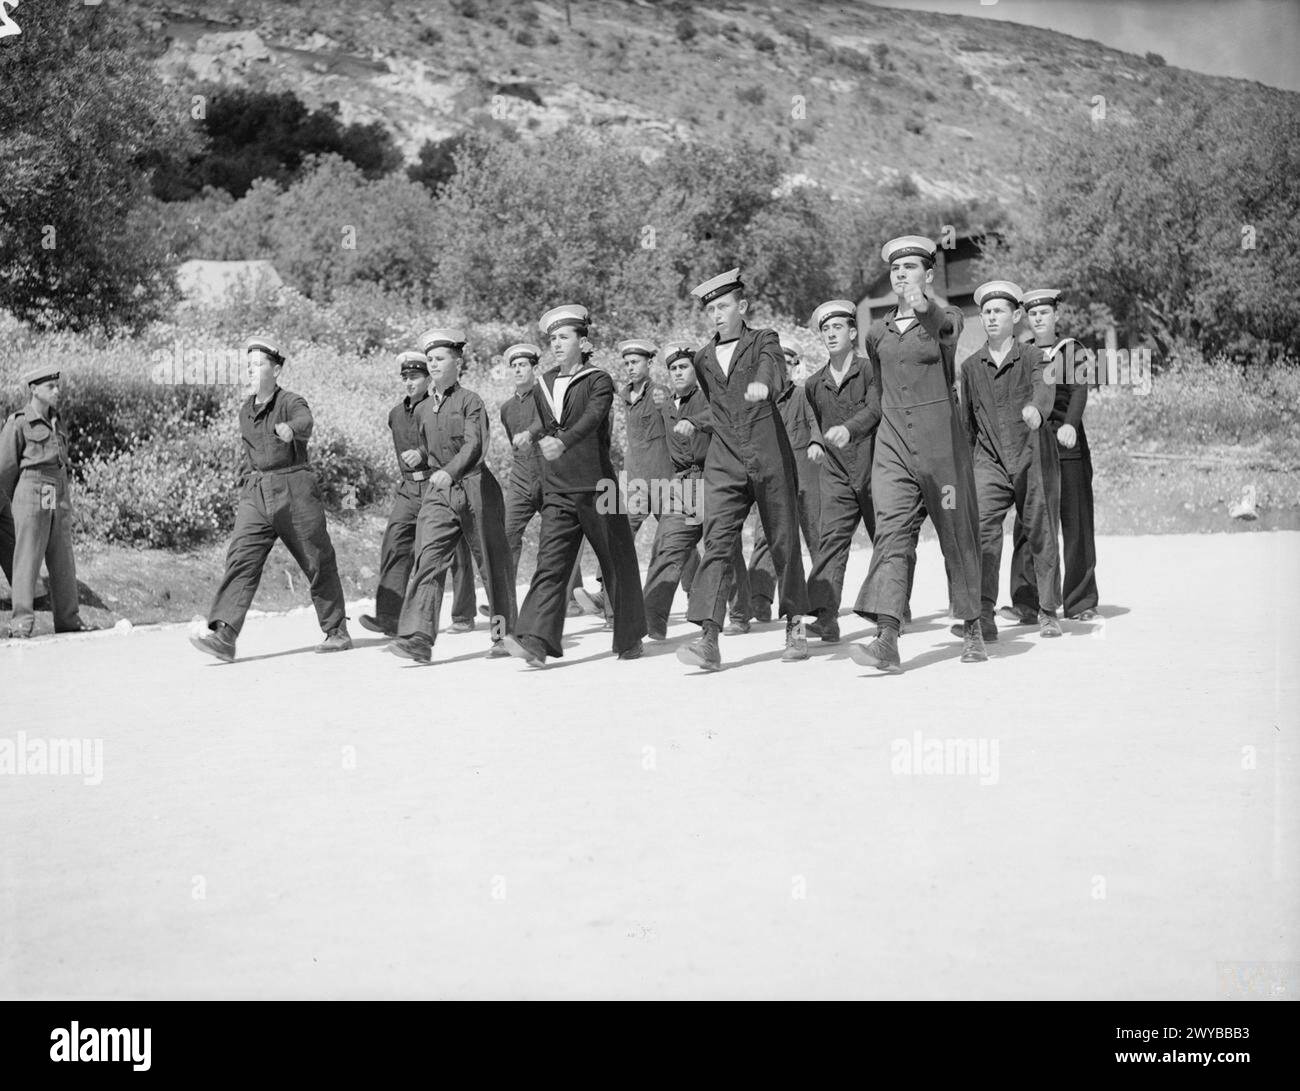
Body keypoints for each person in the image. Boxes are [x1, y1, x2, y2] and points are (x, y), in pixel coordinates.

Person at [849, 236, 984, 674]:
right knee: (891, 535)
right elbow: (878, 390)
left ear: (928, 274)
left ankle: (972, 623)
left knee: (955, 532)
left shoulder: (948, 319)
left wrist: (922, 303)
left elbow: (940, 327)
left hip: (941, 445)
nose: (901, 274)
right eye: (896, 269)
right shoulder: (876, 333)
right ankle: (887, 635)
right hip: (893, 447)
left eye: (910, 267)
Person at [676, 268, 810, 671]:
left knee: (782, 539)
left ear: (742, 307)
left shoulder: (763, 339)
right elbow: (716, 408)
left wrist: (765, 385)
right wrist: (697, 423)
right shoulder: (701, 358)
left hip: (768, 451)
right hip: (725, 459)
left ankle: (795, 626)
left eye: (724, 306)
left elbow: (772, 366)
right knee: (717, 542)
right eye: (711, 309)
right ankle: (708, 638)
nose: (717, 314)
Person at [502, 305, 647, 666]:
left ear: (584, 342)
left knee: (616, 561)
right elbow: (547, 420)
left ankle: (629, 637)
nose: (556, 344)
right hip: (558, 488)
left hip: (597, 485)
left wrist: (562, 441)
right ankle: (536, 639)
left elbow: (591, 417)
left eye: (563, 337)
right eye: (552, 338)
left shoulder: (598, 380)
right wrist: (533, 434)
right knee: (550, 565)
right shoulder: (544, 383)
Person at [191, 337, 350, 661]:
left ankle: (336, 631)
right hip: (256, 492)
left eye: (259, 364)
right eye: (248, 365)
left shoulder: (291, 401)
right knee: (241, 557)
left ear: (276, 370)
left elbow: (306, 421)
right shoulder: (244, 411)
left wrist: (292, 429)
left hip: (294, 488)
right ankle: (225, 634)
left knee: (317, 559)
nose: (251, 370)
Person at [385, 330, 516, 663]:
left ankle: (504, 635)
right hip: (439, 493)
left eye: (440, 358)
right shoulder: (425, 408)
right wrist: (420, 454)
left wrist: (451, 470)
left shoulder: (471, 400)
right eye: (430, 359)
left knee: (491, 564)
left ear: (457, 363)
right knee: (427, 559)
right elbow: (430, 446)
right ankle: (418, 637)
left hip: (475, 488)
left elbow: (475, 445)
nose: (433, 363)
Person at [957, 280, 1063, 641]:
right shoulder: (970, 367)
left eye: (998, 310)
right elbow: (966, 422)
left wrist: (1037, 408)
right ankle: (983, 615)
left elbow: (1045, 388)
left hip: (1032, 457)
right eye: (986, 312)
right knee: (983, 536)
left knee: (1041, 532)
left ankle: (1048, 610)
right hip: (988, 462)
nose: (990, 317)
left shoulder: (1038, 357)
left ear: (1017, 316)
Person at [359, 350, 476, 638]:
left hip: (439, 483)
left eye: (415, 377)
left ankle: (463, 613)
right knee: (395, 543)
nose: (410, 383)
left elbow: (453, 443)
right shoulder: (395, 414)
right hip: (409, 488)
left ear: (428, 378)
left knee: (454, 550)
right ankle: (389, 617)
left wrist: (424, 456)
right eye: (405, 378)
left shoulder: (438, 407)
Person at [1002, 288, 1099, 622]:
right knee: (1028, 526)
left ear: (1056, 315)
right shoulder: (1022, 352)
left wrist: (1071, 424)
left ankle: (1081, 602)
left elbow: (1078, 392)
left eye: (1045, 312)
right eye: (1033, 313)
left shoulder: (1072, 350)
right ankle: (1026, 603)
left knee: (1076, 524)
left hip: (1067, 444)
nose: (1039, 318)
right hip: (1033, 448)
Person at [802, 300, 881, 644]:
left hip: (875, 466)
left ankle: (891, 608)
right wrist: (817, 443)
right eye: (825, 329)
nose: (831, 334)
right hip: (835, 473)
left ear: (852, 333)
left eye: (838, 328)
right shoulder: (814, 383)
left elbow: (876, 408)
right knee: (830, 542)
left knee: (888, 540)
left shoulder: (870, 371)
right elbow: (815, 424)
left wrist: (849, 428)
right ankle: (825, 618)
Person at [0, 365, 97, 638]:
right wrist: (15, 501)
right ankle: (21, 623)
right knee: (27, 558)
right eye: (50, 387)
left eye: (57, 386)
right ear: (34, 389)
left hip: (57, 491)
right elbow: (4, 469)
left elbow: (61, 460)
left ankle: (68, 620)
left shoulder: (58, 421)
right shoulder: (18, 422)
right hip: (31, 489)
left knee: (63, 558)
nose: (57, 391)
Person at [744, 337, 822, 627]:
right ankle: (759, 601)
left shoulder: (801, 395)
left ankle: (823, 600)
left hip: (804, 475)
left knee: (816, 535)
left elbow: (816, 425)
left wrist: (817, 443)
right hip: (774, 479)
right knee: (765, 537)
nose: (785, 368)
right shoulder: (761, 399)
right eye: (780, 362)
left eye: (791, 363)